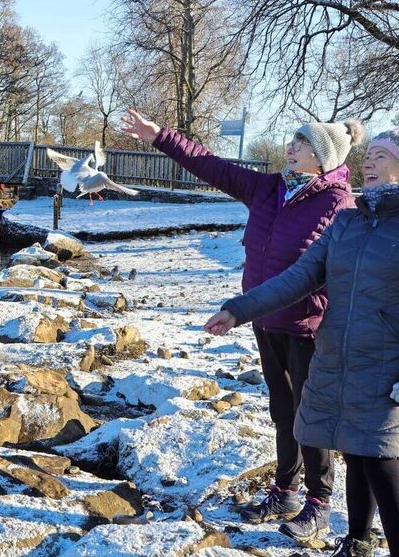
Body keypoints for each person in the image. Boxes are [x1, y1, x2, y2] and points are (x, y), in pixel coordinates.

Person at [204, 116, 399, 557]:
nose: (368, 163)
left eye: (381, 157)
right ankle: (358, 543)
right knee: (355, 455)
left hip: (390, 367)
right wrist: (238, 309)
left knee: (382, 465)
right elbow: (299, 277)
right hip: (336, 359)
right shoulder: (349, 222)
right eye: (369, 155)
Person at [122, 110, 360, 543]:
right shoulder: (268, 188)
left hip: (308, 324)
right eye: (292, 141)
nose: (291, 148)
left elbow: (341, 269)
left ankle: (319, 502)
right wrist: (160, 137)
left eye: (301, 144)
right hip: (263, 317)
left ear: (322, 157)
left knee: (311, 415)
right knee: (282, 410)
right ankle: (285, 492)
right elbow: (211, 165)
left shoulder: (339, 202)